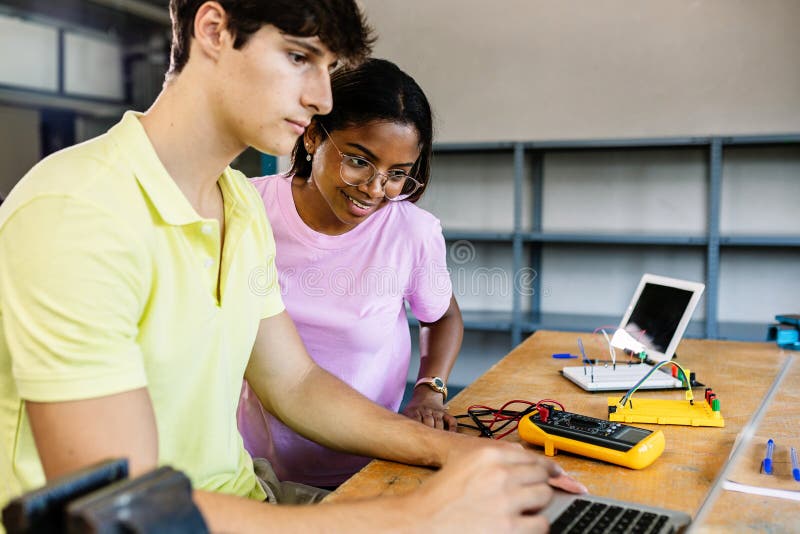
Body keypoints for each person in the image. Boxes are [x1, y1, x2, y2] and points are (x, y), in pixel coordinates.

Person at [0, 1, 585, 532]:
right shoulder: (77, 211)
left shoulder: (235, 203)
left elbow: (296, 384)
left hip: (247, 496)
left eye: (326, 68)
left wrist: (459, 453)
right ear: (214, 31)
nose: (323, 99)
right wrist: (417, 516)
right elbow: (125, 511)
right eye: (300, 57)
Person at [238, 58, 464, 488]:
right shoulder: (247, 209)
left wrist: (430, 388)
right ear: (311, 136)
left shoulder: (411, 232)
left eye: (398, 174)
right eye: (359, 161)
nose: (376, 190)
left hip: (367, 465)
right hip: (254, 466)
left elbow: (443, 316)